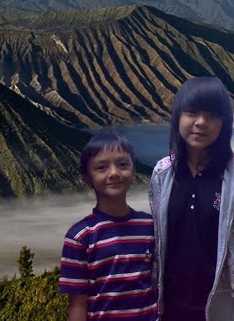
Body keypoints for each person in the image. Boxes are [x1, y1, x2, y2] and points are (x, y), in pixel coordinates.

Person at [149, 76, 234, 321]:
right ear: (177, 117)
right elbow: (158, 244)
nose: (201, 123)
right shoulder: (162, 173)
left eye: (212, 115)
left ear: (224, 123)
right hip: (169, 308)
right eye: (191, 112)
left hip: (222, 309)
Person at [59, 130, 159, 321]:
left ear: (133, 170)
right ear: (86, 178)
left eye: (123, 164)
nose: (114, 173)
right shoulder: (79, 237)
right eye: (101, 167)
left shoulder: (149, 226)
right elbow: (77, 304)